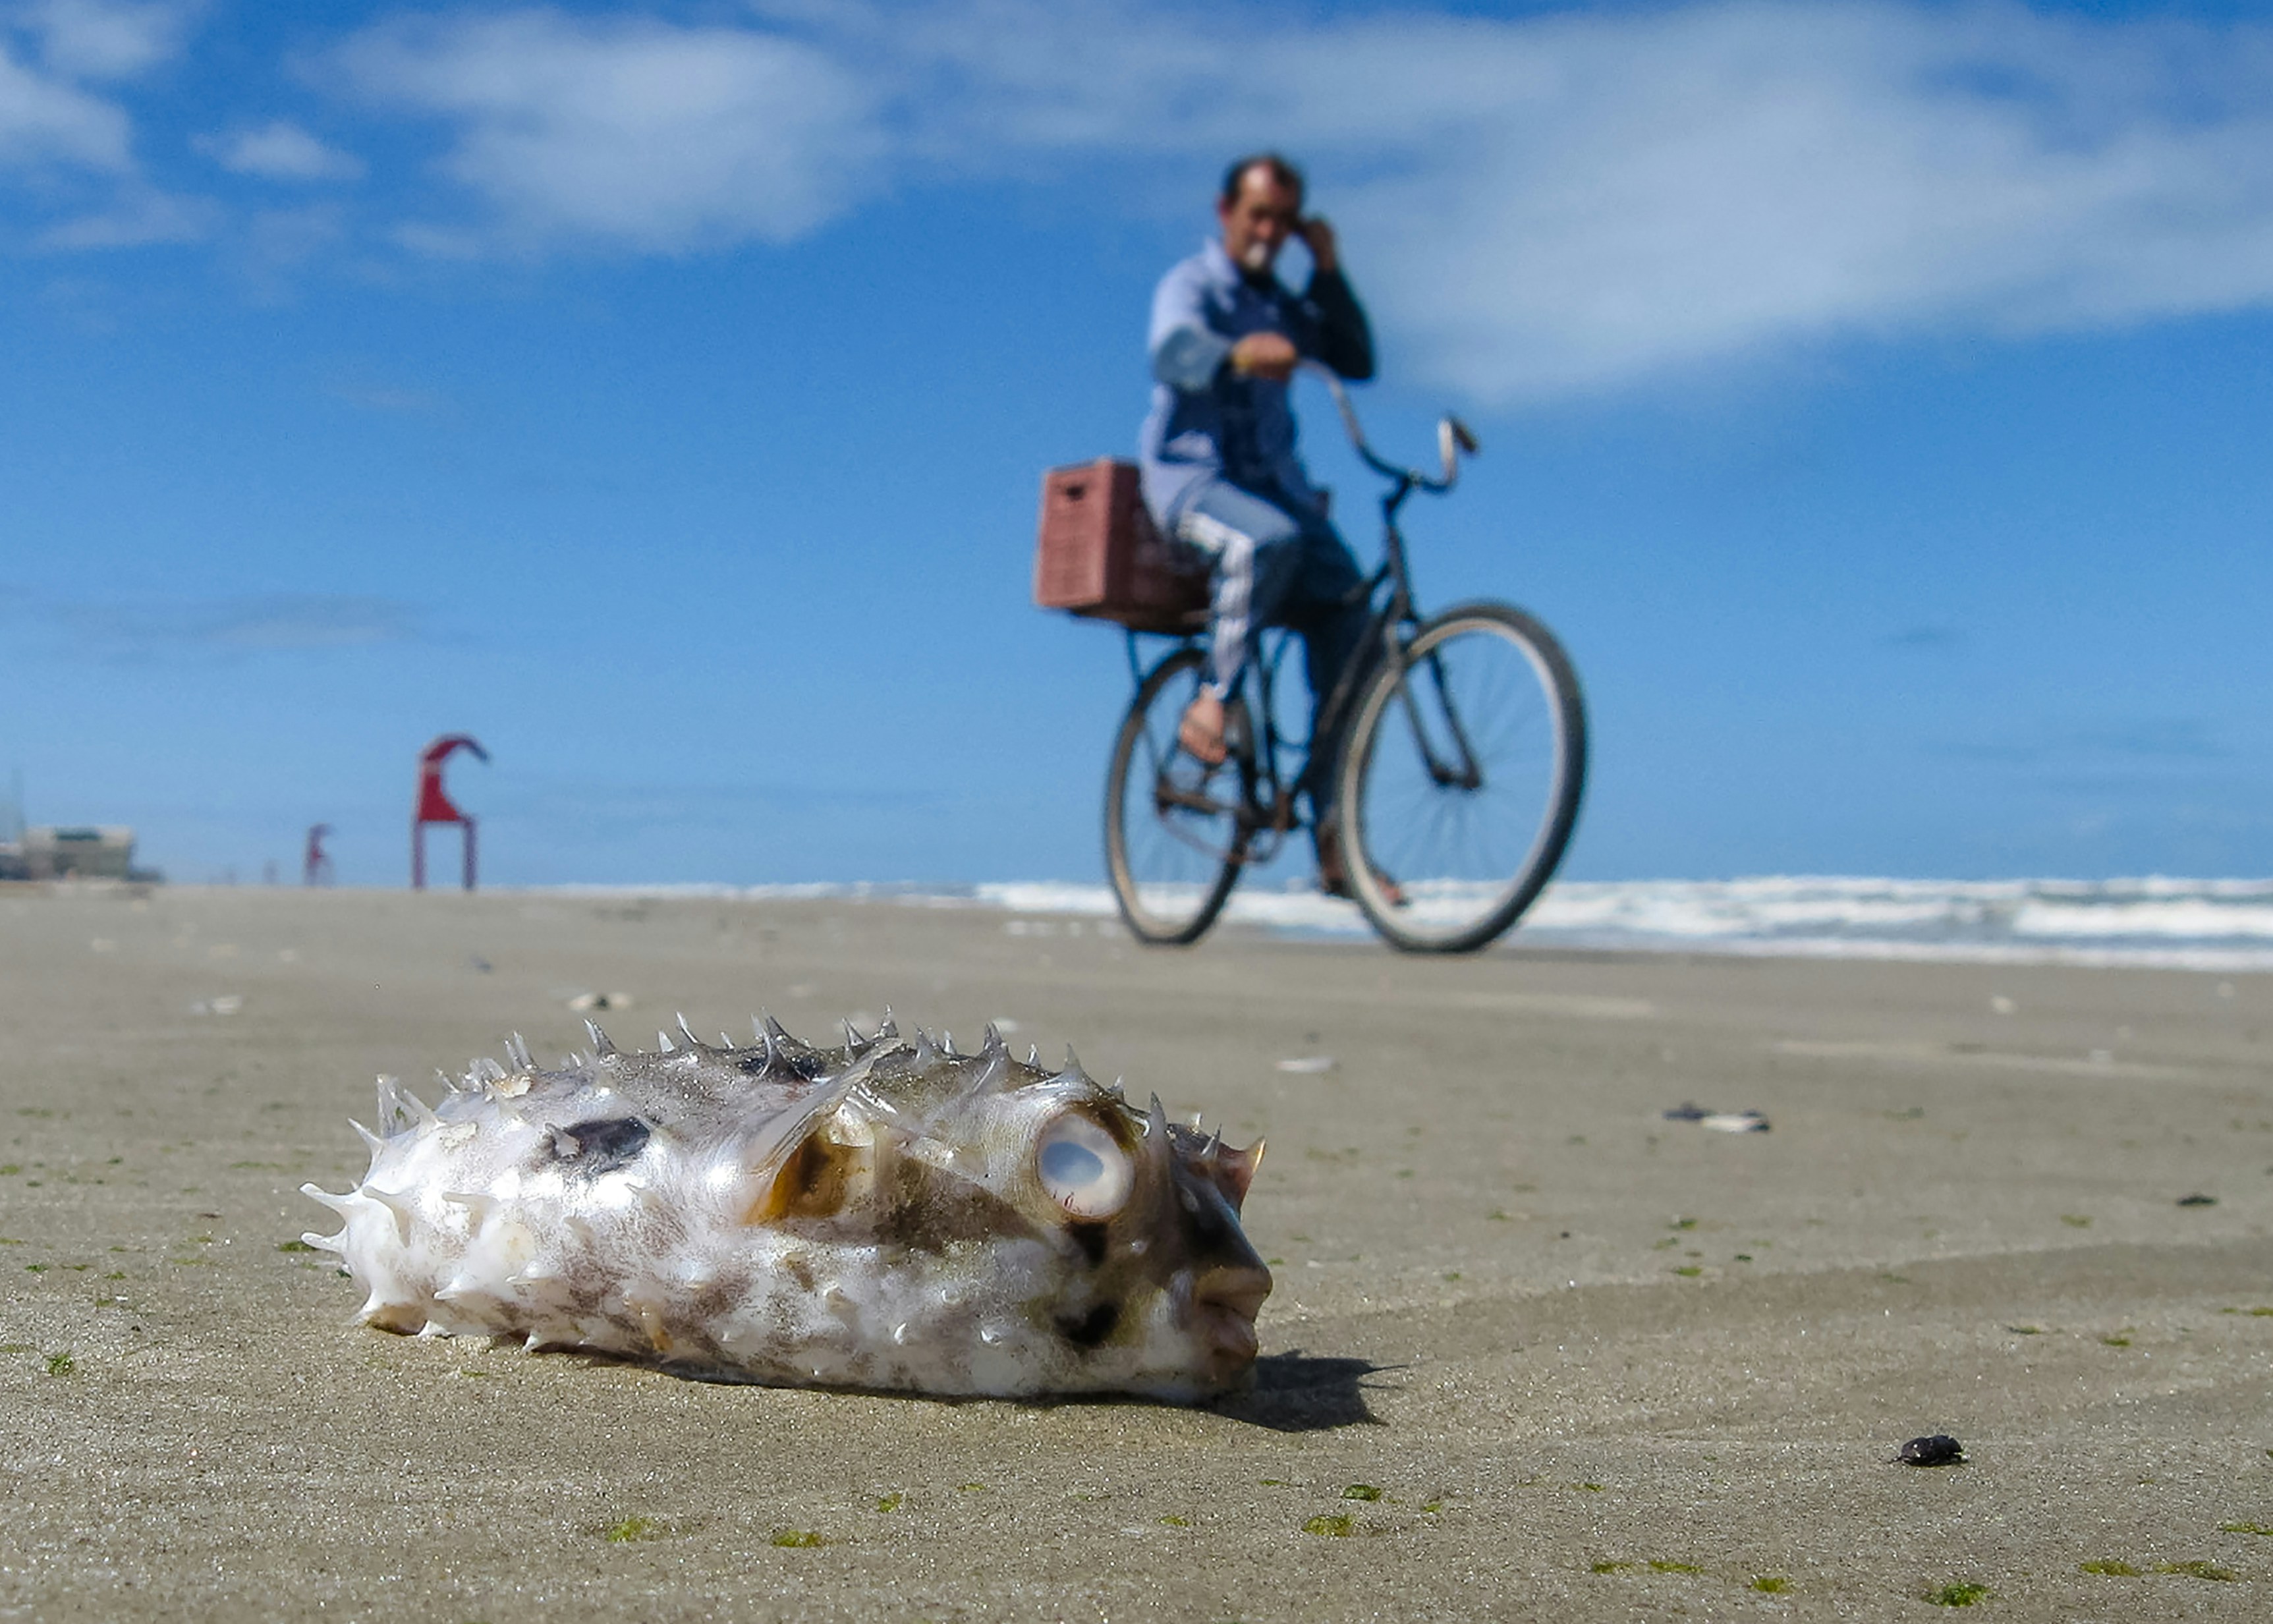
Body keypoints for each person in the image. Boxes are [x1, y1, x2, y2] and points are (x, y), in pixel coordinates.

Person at [1138, 152, 1376, 893]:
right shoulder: (1194, 284)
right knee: (1264, 542)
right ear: (1227, 213)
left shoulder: (1291, 309)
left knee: (1355, 619)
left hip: (1285, 495)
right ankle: (1212, 699)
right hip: (1194, 484)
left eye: (1283, 220)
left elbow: (1356, 358)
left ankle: (1334, 833)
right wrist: (1238, 351)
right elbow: (1173, 353)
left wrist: (1328, 268)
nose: (1269, 232)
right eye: (1258, 216)